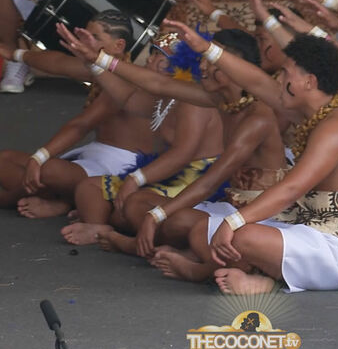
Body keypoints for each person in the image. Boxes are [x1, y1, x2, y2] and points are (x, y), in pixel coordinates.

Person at [169, 30, 338, 295]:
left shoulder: (336, 129)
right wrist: (207, 49)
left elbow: (290, 189)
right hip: (305, 227)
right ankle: (241, 273)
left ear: (309, 82)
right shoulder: (314, 116)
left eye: (285, 74)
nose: (278, 80)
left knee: (240, 235)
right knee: (205, 229)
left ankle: (257, 281)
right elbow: (257, 83)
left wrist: (234, 220)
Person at [0, 10, 156, 218]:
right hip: (91, 156)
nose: (85, 41)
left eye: (95, 38)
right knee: (3, 162)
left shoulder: (124, 80)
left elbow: (82, 125)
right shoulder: (97, 67)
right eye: (84, 35)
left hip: (119, 166)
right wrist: (16, 55)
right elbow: (58, 63)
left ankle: (6, 200)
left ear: (118, 46)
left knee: (48, 170)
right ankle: (64, 200)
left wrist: (40, 156)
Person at [58, 32, 223, 246]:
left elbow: (183, 154)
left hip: (194, 180)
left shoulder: (192, 102)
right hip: (167, 172)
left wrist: (136, 179)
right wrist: (94, 63)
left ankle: (126, 236)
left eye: (156, 55)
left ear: (172, 65)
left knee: (133, 206)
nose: (148, 59)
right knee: (90, 188)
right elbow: (128, 98)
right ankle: (99, 227)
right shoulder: (167, 97)